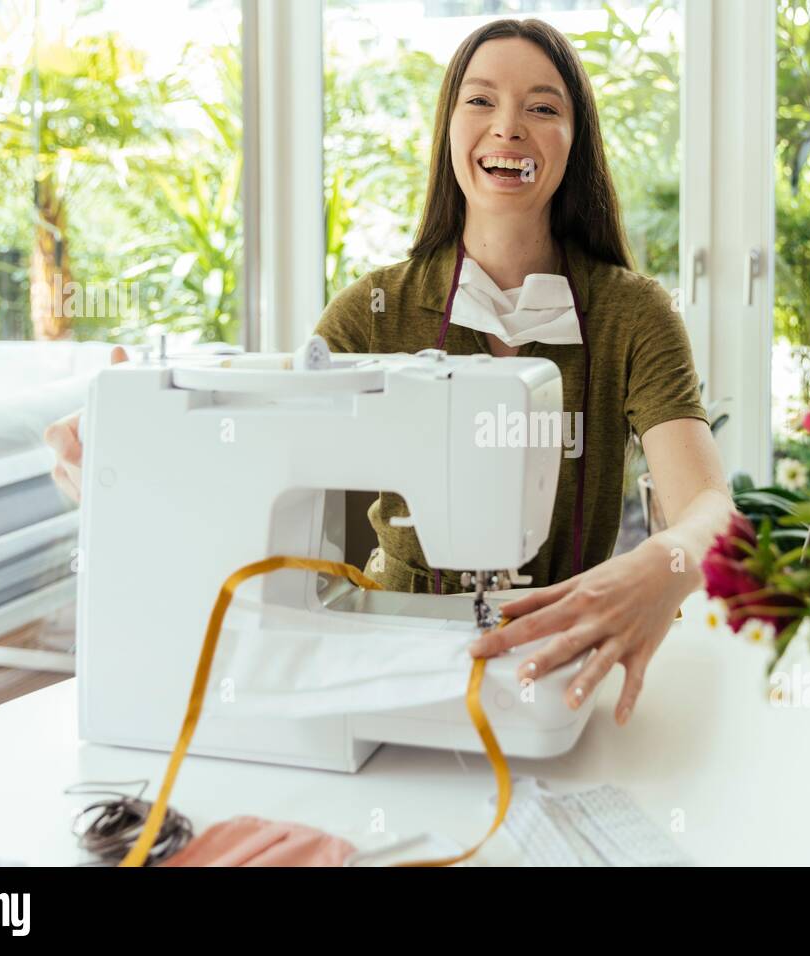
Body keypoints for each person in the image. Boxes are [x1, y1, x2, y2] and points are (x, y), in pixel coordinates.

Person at [46, 18, 734, 727]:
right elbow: (254, 444)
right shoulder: (373, 311)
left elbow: (711, 509)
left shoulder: (632, 314)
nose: (508, 127)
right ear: (448, 130)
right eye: (480, 101)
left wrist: (665, 565)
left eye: (543, 107)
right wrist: (124, 453)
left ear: (575, 141)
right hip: (385, 657)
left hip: (558, 659)